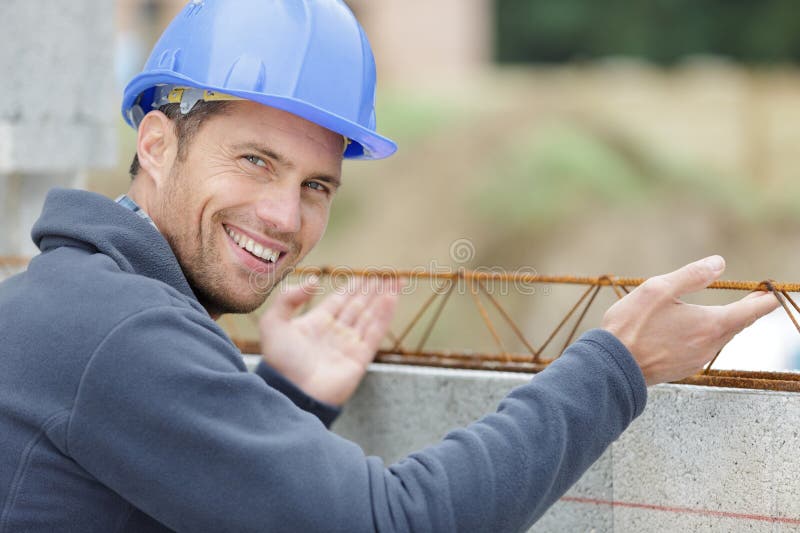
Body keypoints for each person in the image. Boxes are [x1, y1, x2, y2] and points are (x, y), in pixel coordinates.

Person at [0, 1, 779, 532]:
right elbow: (392, 522)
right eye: (254, 160)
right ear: (157, 144)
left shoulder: (73, 299)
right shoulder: (121, 333)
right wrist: (618, 366)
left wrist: (284, 397)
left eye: (315, 186)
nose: (284, 214)